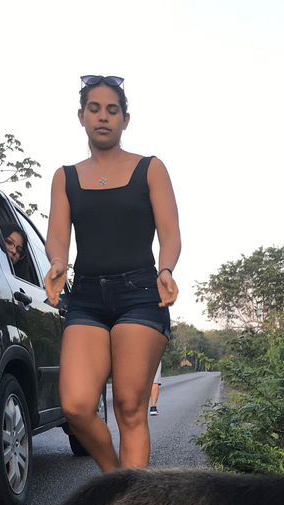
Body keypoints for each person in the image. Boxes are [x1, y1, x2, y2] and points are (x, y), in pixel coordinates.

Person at [44, 75, 180, 476]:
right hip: (86, 297)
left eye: (112, 110)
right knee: (76, 406)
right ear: (81, 117)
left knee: (130, 407)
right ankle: (118, 481)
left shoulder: (150, 169)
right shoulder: (65, 177)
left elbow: (170, 232)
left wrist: (166, 269)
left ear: (125, 119)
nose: (103, 117)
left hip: (141, 293)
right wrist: (57, 262)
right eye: (95, 109)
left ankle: (129, 504)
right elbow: (58, 236)